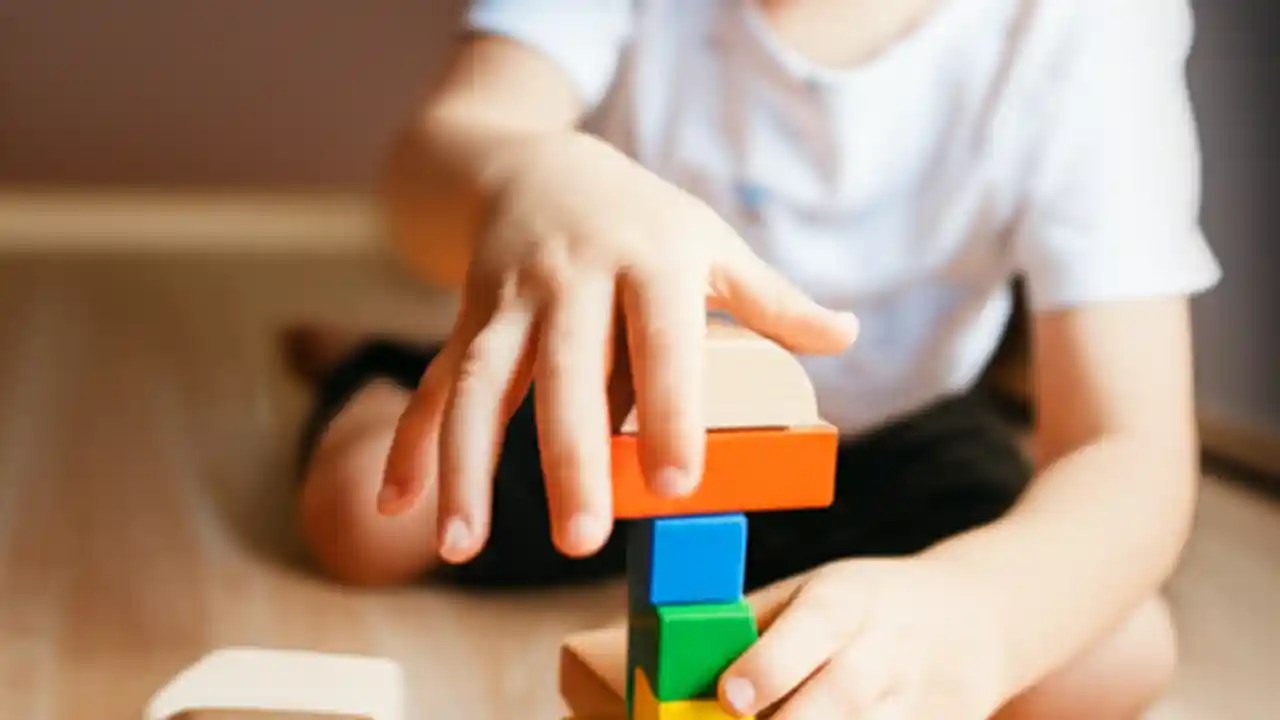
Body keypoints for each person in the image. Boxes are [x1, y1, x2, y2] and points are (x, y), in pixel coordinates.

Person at [289, 0, 1222, 717]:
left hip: (892, 430)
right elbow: (429, 169)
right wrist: (518, 176)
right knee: (369, 508)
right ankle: (378, 367)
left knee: (1119, 651)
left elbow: (1129, 452)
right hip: (622, 407)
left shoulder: (1089, 28)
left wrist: (979, 613)